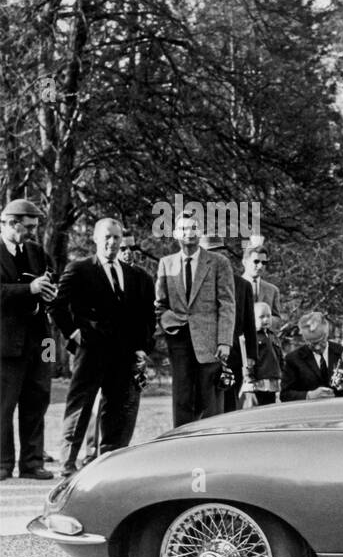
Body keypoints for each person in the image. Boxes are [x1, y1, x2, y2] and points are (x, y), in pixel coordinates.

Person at [50, 218, 154, 474]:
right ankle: (67, 463)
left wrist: (142, 347)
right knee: (80, 406)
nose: (112, 243)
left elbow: (144, 317)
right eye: (107, 237)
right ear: (95, 238)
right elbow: (57, 305)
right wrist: (73, 333)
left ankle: (107, 463)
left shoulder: (134, 276)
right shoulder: (80, 269)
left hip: (123, 354)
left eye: (116, 238)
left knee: (115, 410)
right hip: (91, 351)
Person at [154, 209, 235, 426]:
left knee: (210, 400)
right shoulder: (166, 263)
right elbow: (160, 304)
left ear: (200, 232)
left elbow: (227, 304)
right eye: (182, 228)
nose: (188, 233)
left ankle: (210, 447)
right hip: (179, 341)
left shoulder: (218, 262)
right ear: (175, 234)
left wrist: (224, 341)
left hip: (210, 342)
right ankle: (180, 448)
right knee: (182, 397)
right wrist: (169, 323)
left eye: (193, 228)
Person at [0, 199, 57, 479]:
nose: (33, 232)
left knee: (38, 400)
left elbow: (49, 276)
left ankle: (32, 463)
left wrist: (49, 292)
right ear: (11, 223)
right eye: (29, 227)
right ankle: (2, 463)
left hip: (40, 341)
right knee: (3, 404)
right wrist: (29, 289)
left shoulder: (36, 251)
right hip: (6, 341)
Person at [208, 238, 258, 415]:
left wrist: (251, 355)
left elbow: (250, 323)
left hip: (233, 353)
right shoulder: (199, 283)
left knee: (230, 404)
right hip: (204, 351)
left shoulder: (242, 285)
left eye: (222, 252)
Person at [281, 312, 343, 400]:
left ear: (327, 334)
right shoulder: (293, 359)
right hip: (309, 411)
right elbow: (284, 395)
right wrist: (309, 395)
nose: (317, 347)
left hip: (339, 410)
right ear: (304, 339)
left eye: (320, 341)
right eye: (311, 343)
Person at [241, 302, 283, 405]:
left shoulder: (273, 337)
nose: (266, 320)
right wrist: (249, 380)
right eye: (261, 317)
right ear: (253, 319)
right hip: (257, 384)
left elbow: (280, 358)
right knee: (257, 409)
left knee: (271, 408)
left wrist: (282, 375)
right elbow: (247, 362)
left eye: (268, 316)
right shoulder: (251, 338)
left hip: (273, 383)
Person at [243, 246, 283, 328]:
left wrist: (265, 319)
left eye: (264, 263)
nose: (260, 266)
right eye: (256, 261)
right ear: (245, 262)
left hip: (263, 339)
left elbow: (278, 320)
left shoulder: (272, 290)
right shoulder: (232, 287)